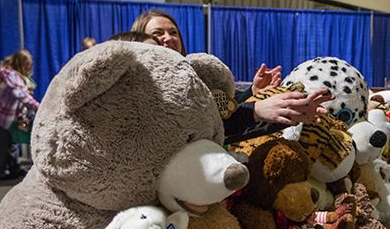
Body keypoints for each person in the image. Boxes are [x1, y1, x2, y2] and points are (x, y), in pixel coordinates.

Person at [131, 9, 332, 143]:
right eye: (158, 33)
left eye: (173, 32)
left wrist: (250, 93)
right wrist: (256, 110)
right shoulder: (140, 87)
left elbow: (218, 109)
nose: (168, 38)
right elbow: (200, 124)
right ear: (140, 40)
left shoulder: (193, 75)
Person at [0, 49, 40, 181]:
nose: (29, 67)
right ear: (19, 62)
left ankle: (14, 169)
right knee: (2, 143)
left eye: (30, 64)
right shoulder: (6, 73)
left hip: (7, 116)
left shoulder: (19, 76)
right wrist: (40, 108)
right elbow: (21, 95)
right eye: (26, 64)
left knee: (10, 141)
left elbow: (22, 98)